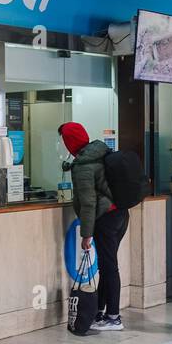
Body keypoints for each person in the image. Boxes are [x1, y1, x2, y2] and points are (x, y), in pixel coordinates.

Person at [59, 121, 128, 331]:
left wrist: (86, 235)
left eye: (65, 140)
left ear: (70, 141)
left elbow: (89, 203)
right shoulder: (100, 152)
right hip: (120, 214)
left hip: (105, 219)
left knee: (109, 267)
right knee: (106, 266)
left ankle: (113, 317)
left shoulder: (83, 165)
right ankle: (100, 313)